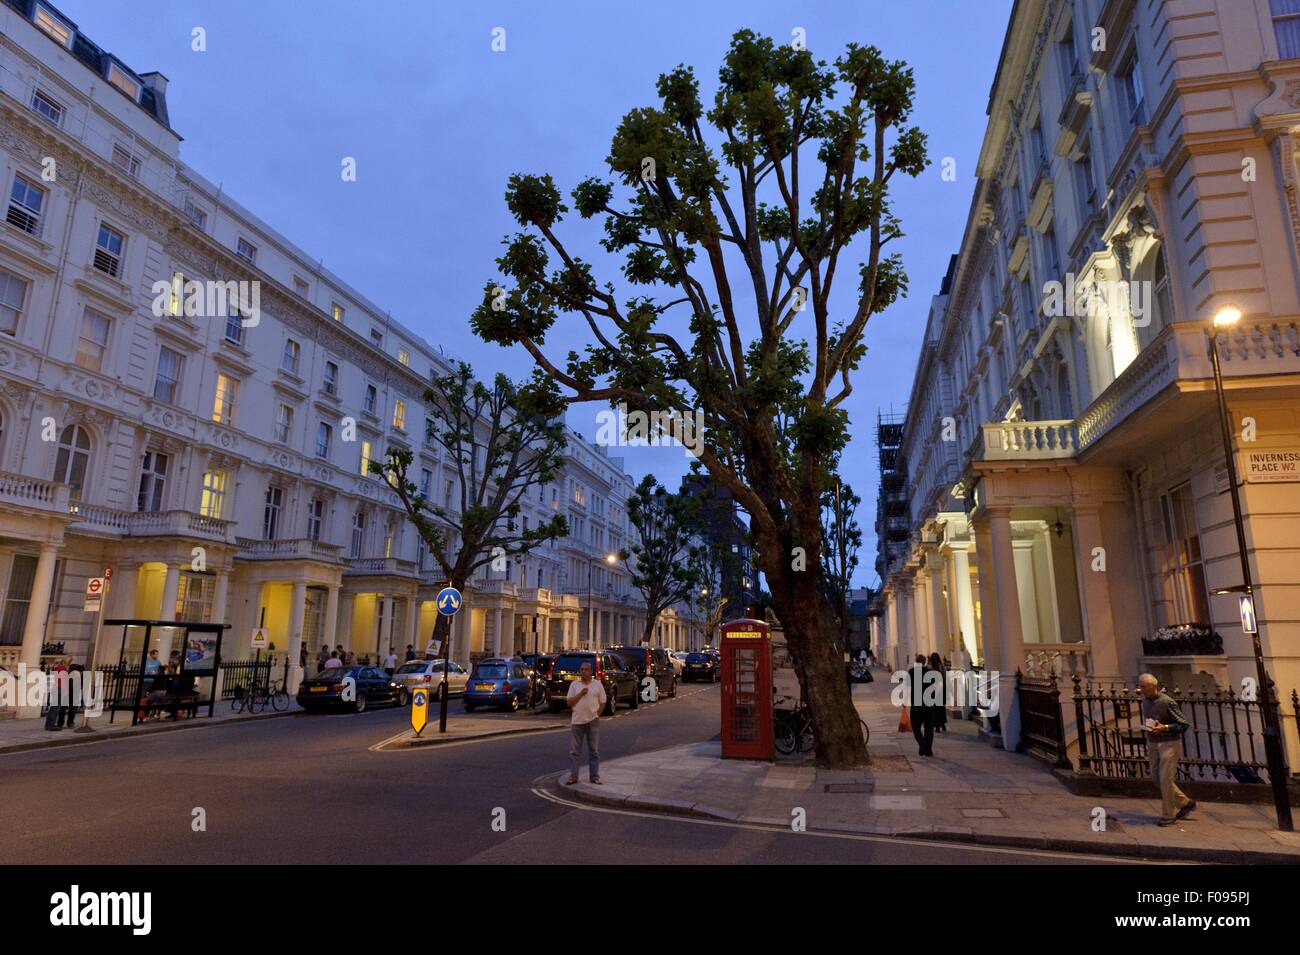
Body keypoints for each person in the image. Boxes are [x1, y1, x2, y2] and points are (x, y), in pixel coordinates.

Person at [1138, 673, 1194, 826]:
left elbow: (1183, 725)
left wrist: (1166, 727)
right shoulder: (1145, 701)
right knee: (1156, 777)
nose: (1140, 689)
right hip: (1153, 742)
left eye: (1143, 686)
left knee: (1165, 779)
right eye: (1140, 686)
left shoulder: (1167, 702)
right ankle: (1185, 802)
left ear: (1152, 687)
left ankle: (1168, 816)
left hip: (1168, 743)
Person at [564, 661, 606, 785]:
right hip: (577, 721)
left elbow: (603, 702)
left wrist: (597, 715)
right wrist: (580, 694)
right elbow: (569, 702)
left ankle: (594, 776)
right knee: (575, 751)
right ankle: (573, 776)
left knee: (594, 751)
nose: (583, 672)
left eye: (586, 670)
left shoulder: (597, 685)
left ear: (591, 671)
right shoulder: (574, 685)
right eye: (581, 669)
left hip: (592, 721)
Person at [909, 654, 935, 757]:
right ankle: (928, 750)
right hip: (929, 704)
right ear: (924, 662)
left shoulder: (912, 672)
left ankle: (922, 743)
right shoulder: (931, 672)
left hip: (916, 704)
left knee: (915, 726)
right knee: (929, 728)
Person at [928, 652, 948, 734]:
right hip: (941, 689)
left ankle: (936, 726)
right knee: (941, 708)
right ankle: (942, 724)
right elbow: (944, 678)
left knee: (934, 708)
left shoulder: (929, 667)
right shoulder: (942, 667)